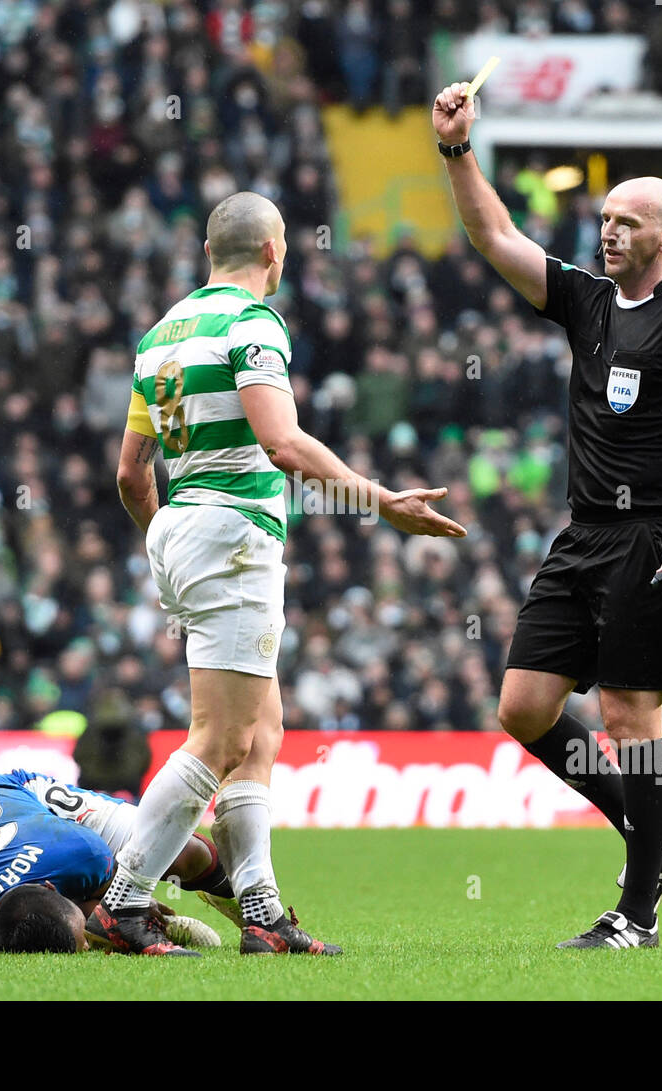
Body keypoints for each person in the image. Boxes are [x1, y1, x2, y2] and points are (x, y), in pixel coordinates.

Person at [432, 83, 662, 949]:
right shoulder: (587, 300)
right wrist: (459, 150)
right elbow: (494, 236)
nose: (607, 229)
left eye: (626, 221)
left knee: (628, 718)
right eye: (604, 218)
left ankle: (637, 914)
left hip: (654, 534)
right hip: (582, 533)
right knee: (525, 706)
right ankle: (656, 839)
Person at [103, 190, 467, 956]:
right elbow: (284, 445)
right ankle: (123, 900)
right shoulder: (253, 324)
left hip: (184, 526)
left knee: (260, 731)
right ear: (274, 253)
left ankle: (262, 914)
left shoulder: (160, 335)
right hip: (234, 531)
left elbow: (132, 475)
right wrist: (382, 502)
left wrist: (167, 538)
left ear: (209, 253)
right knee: (219, 736)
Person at [0, 768, 233, 954]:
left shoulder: (82, 851)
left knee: (185, 854)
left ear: (53, 887)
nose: (86, 949)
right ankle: (95, 919)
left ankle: (255, 912)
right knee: (84, 915)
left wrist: (136, 906)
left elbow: (126, 886)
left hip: (13, 793)